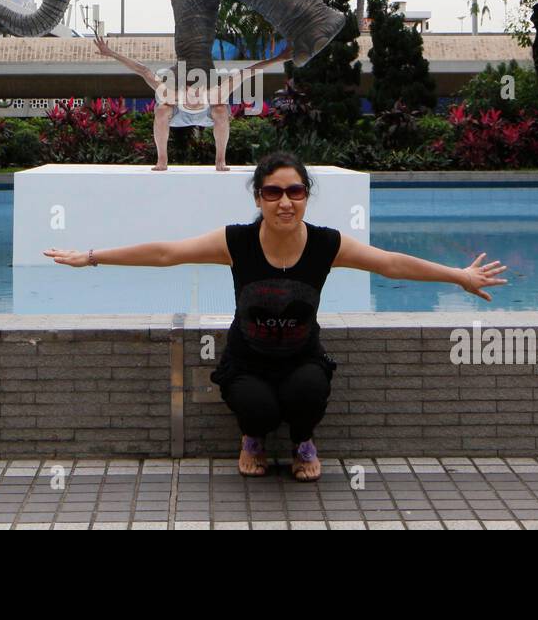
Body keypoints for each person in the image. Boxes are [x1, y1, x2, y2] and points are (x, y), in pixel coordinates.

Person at [43, 151, 508, 481]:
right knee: (259, 409)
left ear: (306, 196)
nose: (284, 201)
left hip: (302, 357)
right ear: (259, 198)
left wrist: (458, 276)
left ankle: (304, 442)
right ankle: (253, 439)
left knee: (308, 391)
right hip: (247, 361)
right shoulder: (237, 241)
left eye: (295, 191)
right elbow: (167, 252)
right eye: (273, 192)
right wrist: (92, 255)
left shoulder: (327, 244)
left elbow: (389, 263)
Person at [91, 30, 291, 171]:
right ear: (183, 89)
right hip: (178, 116)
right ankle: (162, 159)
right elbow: (143, 71)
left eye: (198, 90)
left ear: (204, 88)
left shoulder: (214, 94)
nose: (194, 95)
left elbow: (249, 72)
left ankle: (220, 159)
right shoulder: (173, 95)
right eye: (190, 91)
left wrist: (278, 59)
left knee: (221, 109)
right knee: (162, 110)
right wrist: (111, 53)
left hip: (206, 116)